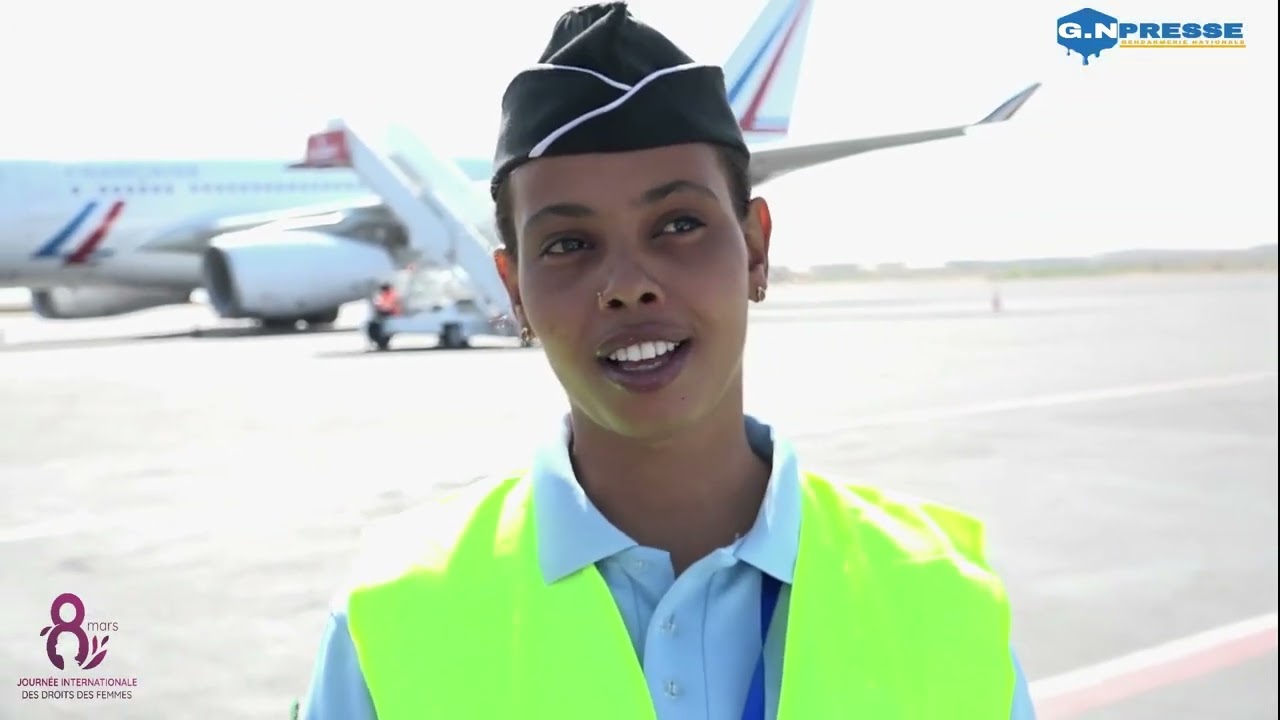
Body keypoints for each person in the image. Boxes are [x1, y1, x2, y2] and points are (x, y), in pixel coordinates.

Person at [298, 3, 1038, 718]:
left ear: (755, 247)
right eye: (568, 245)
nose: (628, 285)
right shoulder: (393, 618)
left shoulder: (940, 595)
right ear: (514, 288)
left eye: (679, 224)